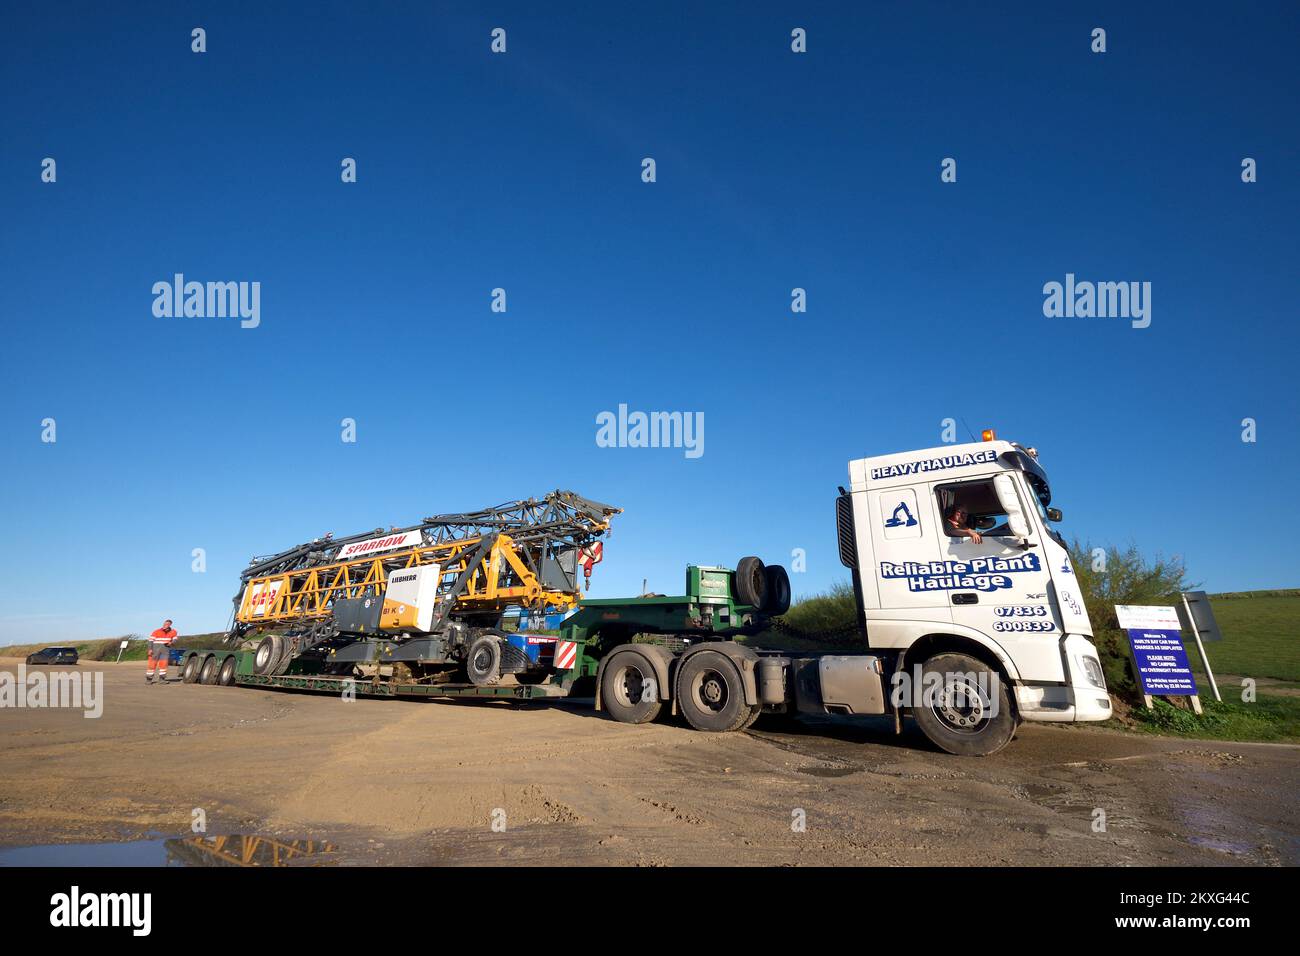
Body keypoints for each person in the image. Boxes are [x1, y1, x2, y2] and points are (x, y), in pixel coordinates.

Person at [147, 619, 178, 684]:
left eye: (167, 624)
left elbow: (175, 640)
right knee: (152, 665)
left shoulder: (174, 632)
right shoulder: (156, 631)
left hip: (165, 651)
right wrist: (150, 649)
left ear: (170, 625)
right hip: (155, 650)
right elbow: (150, 641)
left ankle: (162, 680)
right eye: (164, 624)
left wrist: (171, 643)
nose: (165, 625)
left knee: (164, 665)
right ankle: (149, 680)